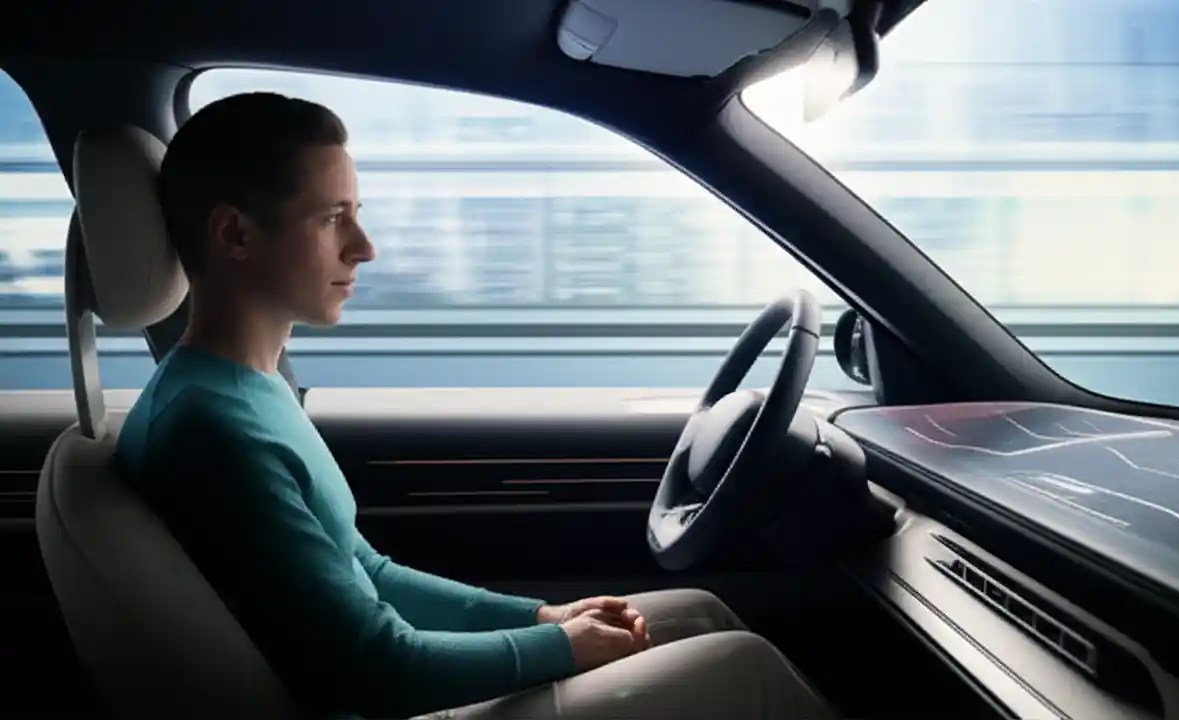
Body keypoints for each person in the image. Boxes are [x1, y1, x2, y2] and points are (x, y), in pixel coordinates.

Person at [114, 92, 842, 720]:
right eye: (333, 218)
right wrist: (559, 647)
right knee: (742, 665)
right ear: (235, 233)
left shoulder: (244, 389)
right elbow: (374, 667)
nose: (363, 247)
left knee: (699, 614)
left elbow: (368, 571)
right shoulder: (213, 430)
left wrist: (544, 616)